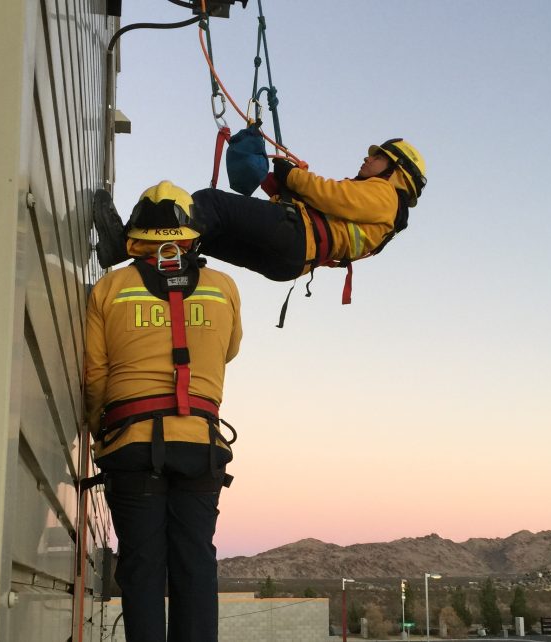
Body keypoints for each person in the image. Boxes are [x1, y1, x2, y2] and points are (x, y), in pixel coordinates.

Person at [83, 180, 242, 642]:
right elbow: (229, 350)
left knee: (142, 565)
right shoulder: (223, 287)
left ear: (136, 233)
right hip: (200, 445)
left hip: (131, 445)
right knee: (196, 563)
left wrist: (99, 430)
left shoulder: (110, 287)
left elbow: (95, 374)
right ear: (191, 233)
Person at [191, 138, 427, 283]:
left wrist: (292, 175)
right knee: (208, 238)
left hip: (296, 235)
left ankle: (168, 246)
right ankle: (174, 267)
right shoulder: (385, 215)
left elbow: (332, 195)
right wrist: (284, 189)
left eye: (378, 157)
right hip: (293, 262)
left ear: (397, 171)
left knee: (210, 203)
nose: (368, 158)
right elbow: (330, 216)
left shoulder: (386, 194)